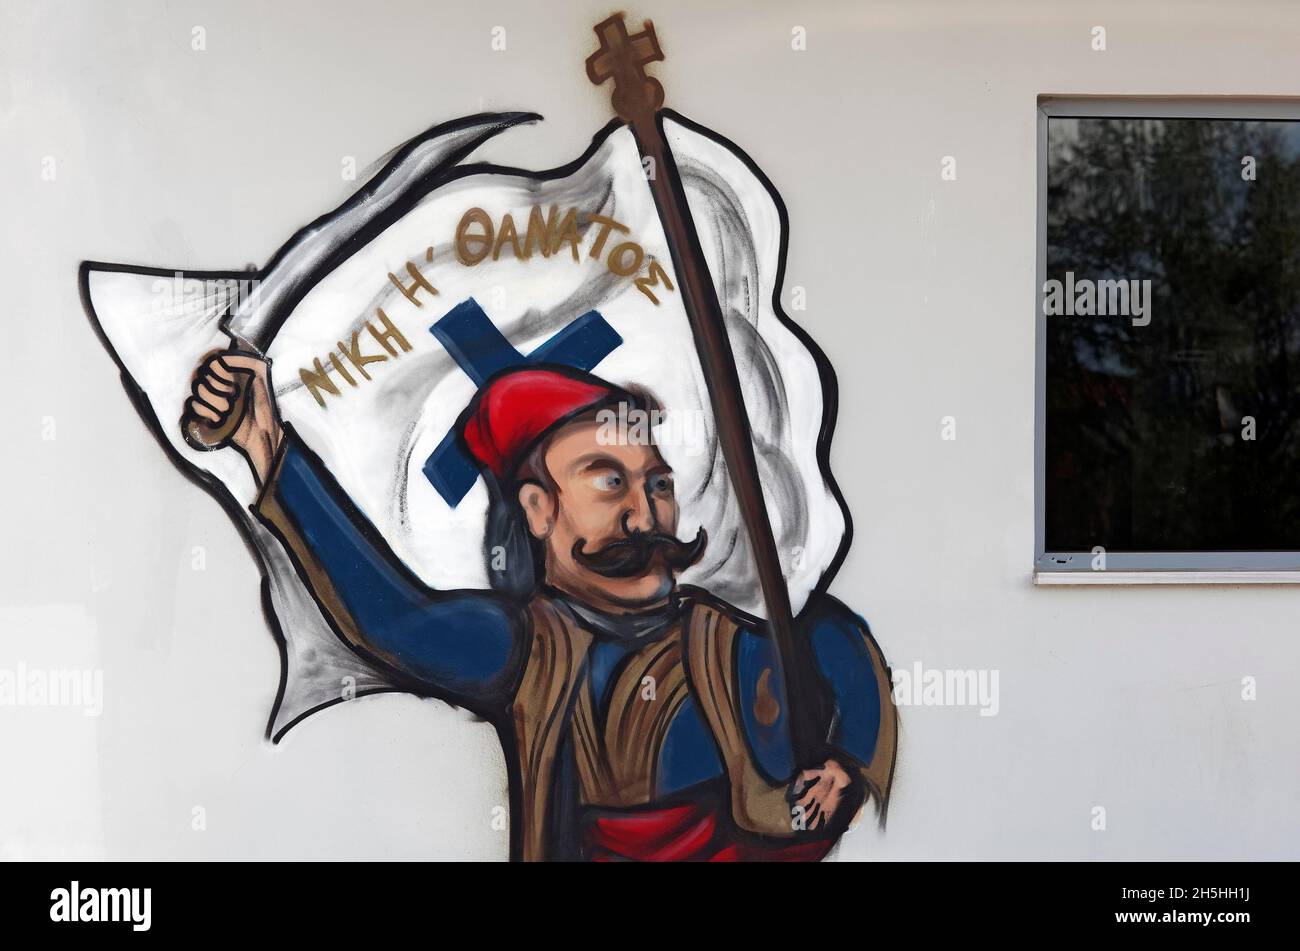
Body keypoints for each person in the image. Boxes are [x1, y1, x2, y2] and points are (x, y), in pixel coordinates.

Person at [183, 352, 897, 861]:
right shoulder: (528, 652)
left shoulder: (731, 636)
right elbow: (391, 618)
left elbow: (837, 640)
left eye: (657, 484)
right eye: (609, 481)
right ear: (538, 507)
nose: (645, 512)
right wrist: (267, 445)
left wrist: (848, 761)